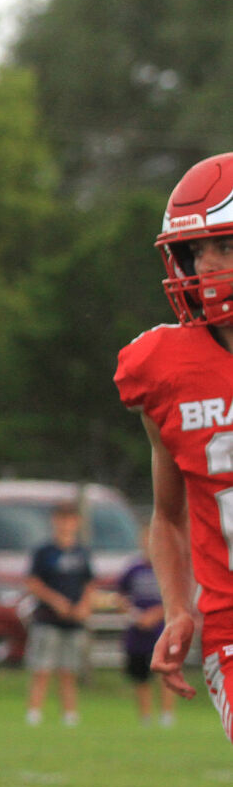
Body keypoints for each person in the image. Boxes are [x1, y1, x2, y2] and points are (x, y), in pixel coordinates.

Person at [115, 151, 233, 739]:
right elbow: (168, 515)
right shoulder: (165, 370)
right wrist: (179, 605)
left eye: (224, 248)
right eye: (194, 251)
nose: (203, 266)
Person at [23, 502, 96, 727]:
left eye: (70, 519)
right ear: (54, 521)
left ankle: (69, 714)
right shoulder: (44, 552)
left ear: (77, 523)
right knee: (42, 668)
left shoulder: (82, 552)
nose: (66, 524)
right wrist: (56, 601)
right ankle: (34, 712)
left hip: (74, 621)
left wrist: (84, 606)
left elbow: (89, 583)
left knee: (68, 669)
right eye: (61, 519)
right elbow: (32, 583)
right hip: (48, 619)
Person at [117, 530, 174, 727]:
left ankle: (167, 716)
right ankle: (146, 717)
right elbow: (121, 598)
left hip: (162, 630)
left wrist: (155, 615)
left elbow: (176, 598)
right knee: (141, 676)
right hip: (138, 631)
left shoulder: (168, 567)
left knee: (165, 673)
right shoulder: (133, 570)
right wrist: (134, 614)